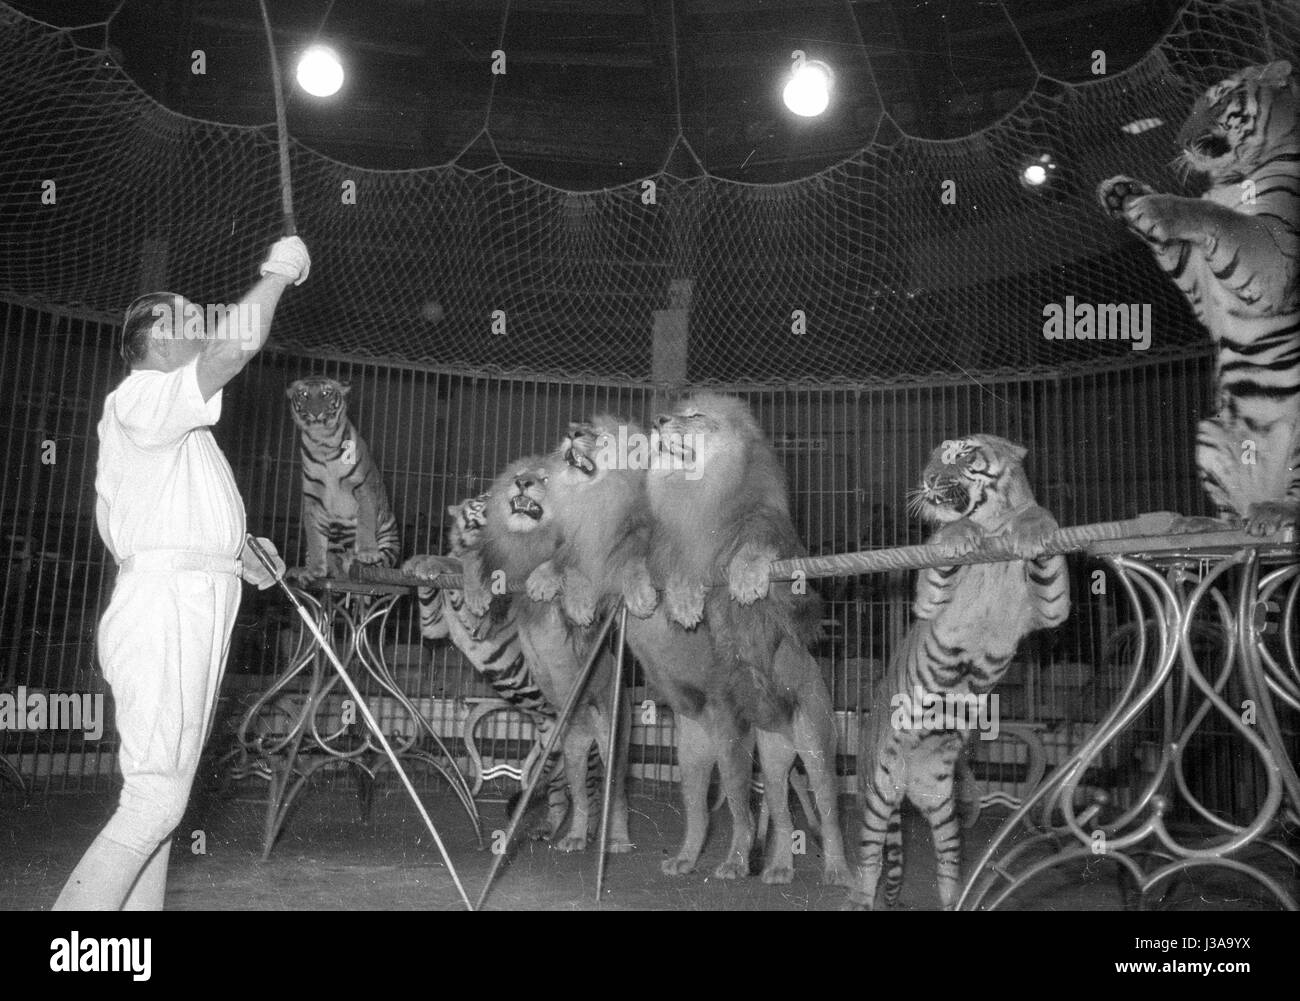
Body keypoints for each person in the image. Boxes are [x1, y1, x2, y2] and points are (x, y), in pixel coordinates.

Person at [52, 236, 310, 910]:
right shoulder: (140, 397)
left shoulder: (181, 428)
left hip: (188, 598)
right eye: (190, 315)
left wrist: (240, 549)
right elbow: (234, 348)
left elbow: (177, 522)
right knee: (154, 801)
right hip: (162, 607)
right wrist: (277, 273)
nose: (206, 321)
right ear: (156, 341)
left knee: (163, 806)